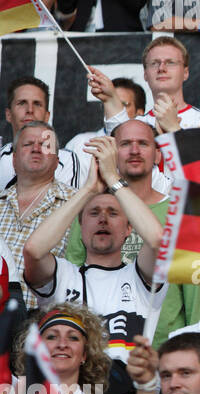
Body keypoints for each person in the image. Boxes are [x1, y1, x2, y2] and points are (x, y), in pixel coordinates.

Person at [23, 137, 165, 365]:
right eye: (94, 212)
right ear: (80, 226)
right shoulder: (64, 275)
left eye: (113, 213)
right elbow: (33, 251)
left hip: (129, 386)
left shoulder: (140, 277)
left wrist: (114, 179)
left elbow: (158, 239)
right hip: (75, 385)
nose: (103, 219)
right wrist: (88, 190)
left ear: (129, 228)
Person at [0, 123, 73, 305]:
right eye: (27, 144)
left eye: (45, 145)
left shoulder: (78, 203)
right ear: (14, 159)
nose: (36, 149)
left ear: (57, 161)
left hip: (46, 318)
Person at [96, 37, 200, 135]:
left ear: (185, 73)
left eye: (170, 62)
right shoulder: (137, 124)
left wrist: (174, 128)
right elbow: (117, 147)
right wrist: (110, 99)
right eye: (154, 63)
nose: (161, 68)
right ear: (145, 74)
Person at [0, 78, 87, 190]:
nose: (30, 110)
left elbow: (67, 200)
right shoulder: (1, 157)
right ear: (8, 114)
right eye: (22, 103)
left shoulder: (66, 159)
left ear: (47, 116)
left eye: (37, 104)